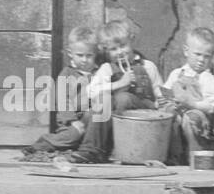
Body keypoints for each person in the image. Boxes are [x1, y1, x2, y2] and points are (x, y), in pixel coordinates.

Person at [67, 20, 167, 163]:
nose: (119, 52)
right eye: (113, 49)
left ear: (131, 41)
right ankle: (92, 150)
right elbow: (91, 91)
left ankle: (119, 150)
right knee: (105, 100)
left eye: (122, 46)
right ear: (106, 51)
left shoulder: (148, 66)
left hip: (145, 115)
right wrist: (119, 83)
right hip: (117, 117)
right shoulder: (107, 68)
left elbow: (159, 91)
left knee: (123, 98)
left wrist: (161, 100)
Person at [20, 27, 98, 159]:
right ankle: (43, 144)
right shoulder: (67, 74)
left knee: (94, 121)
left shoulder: (99, 72)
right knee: (73, 135)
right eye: (80, 55)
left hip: (92, 117)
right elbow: (63, 101)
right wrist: (72, 120)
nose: (84, 60)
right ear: (70, 53)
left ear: (95, 54)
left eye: (89, 55)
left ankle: (87, 148)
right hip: (72, 119)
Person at [161, 27, 214, 164]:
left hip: (197, 114)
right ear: (186, 51)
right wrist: (163, 100)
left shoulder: (206, 78)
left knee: (190, 119)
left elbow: (213, 105)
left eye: (207, 56)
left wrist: (192, 103)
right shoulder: (177, 73)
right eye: (198, 54)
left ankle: (196, 157)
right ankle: (172, 156)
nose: (201, 60)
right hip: (178, 111)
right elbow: (164, 91)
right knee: (168, 116)